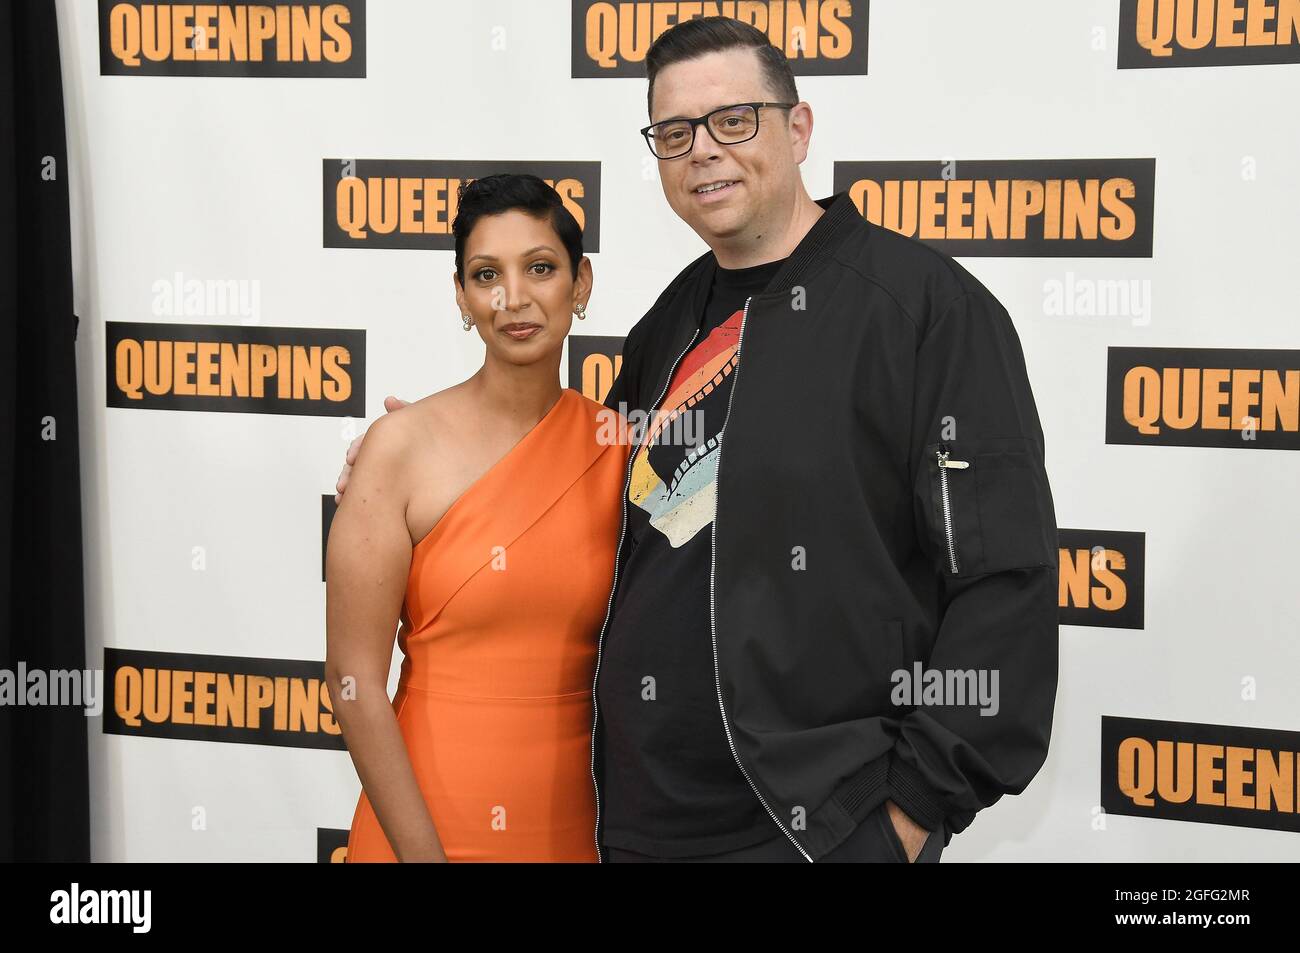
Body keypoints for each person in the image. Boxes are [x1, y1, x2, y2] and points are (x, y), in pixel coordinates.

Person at [337, 16, 1059, 864]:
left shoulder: (925, 312)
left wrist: (906, 815)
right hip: (635, 822)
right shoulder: (671, 323)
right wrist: (415, 447)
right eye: (675, 133)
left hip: (816, 829)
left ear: (799, 128)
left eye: (734, 120)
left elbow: (1004, 583)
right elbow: (575, 479)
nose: (704, 150)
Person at [325, 173, 628, 862]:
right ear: (461, 296)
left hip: (574, 828)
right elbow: (353, 682)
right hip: (419, 826)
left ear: (581, 284)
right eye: (486, 274)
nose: (513, 298)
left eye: (541, 268)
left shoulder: (622, 450)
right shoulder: (399, 448)